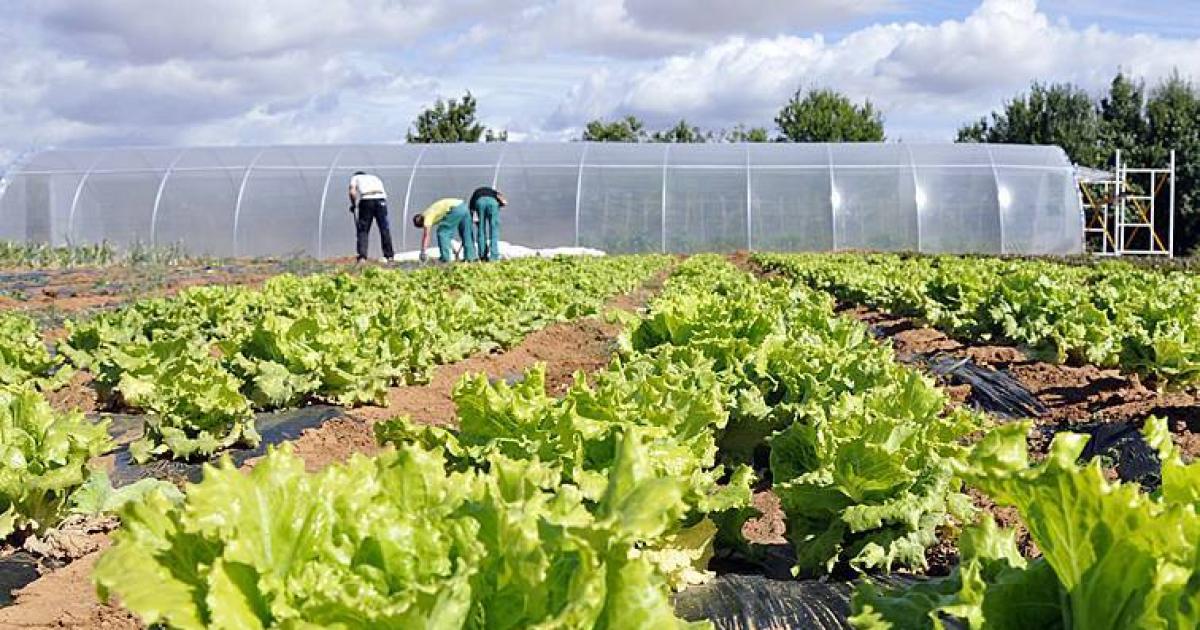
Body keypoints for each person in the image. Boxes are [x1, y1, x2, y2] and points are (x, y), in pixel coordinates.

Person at [412, 198, 477, 263]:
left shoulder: (427, 217)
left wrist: (423, 251)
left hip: (455, 208)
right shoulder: (429, 212)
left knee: (442, 232)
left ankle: (445, 258)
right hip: (463, 206)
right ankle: (470, 257)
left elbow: (426, 235)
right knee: (466, 232)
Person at [348, 171, 394, 263]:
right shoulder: (375, 177)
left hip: (367, 200)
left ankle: (362, 257)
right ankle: (389, 256)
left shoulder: (355, 178)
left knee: (363, 230)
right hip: (381, 200)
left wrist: (354, 204)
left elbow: (352, 192)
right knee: (384, 228)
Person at [468, 187, 506, 261]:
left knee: (481, 230)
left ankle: (482, 255)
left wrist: (475, 221)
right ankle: (494, 256)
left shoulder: (476, 192)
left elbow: (471, 208)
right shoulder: (494, 192)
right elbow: (504, 202)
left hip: (479, 202)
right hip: (493, 203)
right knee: (494, 230)